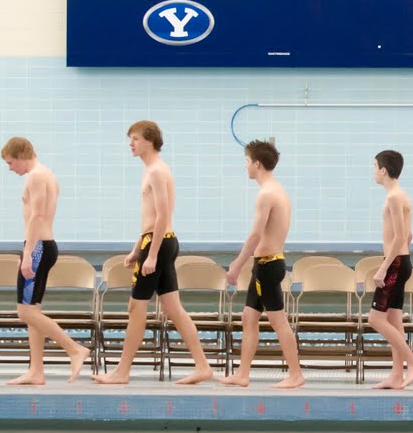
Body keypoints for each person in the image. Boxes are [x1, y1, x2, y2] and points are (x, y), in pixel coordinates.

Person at [93, 120, 215, 385]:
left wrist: (151, 254)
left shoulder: (157, 171)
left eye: (135, 138)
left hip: (158, 244)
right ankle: (203, 366)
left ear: (149, 140)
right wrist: (137, 249)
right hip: (157, 241)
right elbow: (151, 220)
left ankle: (122, 372)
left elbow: (162, 216)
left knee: (136, 307)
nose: (131, 143)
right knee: (173, 308)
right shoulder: (153, 170)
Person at [0, 137, 90, 385]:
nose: (10, 168)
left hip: (37, 247)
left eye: (10, 163)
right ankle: (36, 371)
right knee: (33, 311)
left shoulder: (36, 176)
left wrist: (27, 254)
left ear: (20, 155)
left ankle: (74, 349)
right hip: (42, 245)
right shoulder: (47, 174)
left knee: (24, 311)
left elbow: (37, 216)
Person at [220, 140, 305, 389]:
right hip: (265, 264)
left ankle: (296, 374)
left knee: (278, 321)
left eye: (247, 161)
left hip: (268, 265)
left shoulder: (267, 194)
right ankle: (242, 374)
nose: (245, 166)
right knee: (249, 317)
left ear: (257, 164)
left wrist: (236, 265)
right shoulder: (277, 190)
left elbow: (255, 236)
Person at [366, 150, 413, 389]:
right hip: (401, 262)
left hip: (394, 264)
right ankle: (396, 375)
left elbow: (401, 236)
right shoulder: (401, 196)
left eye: (374, 166)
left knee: (375, 319)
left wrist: (384, 267)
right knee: (394, 321)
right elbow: (408, 235)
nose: (373, 171)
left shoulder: (393, 197)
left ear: (383, 170)